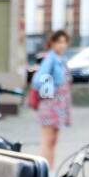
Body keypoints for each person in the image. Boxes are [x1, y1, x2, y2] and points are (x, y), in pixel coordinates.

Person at [32, 29, 72, 169]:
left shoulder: (61, 60)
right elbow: (37, 81)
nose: (62, 45)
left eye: (64, 42)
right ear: (52, 43)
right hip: (51, 107)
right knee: (47, 141)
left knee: (53, 141)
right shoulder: (50, 59)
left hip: (59, 107)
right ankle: (42, 173)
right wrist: (50, 93)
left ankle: (49, 172)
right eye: (59, 42)